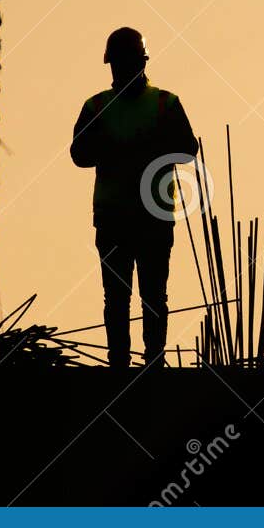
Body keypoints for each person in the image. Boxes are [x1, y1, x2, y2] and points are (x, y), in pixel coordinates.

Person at [70, 27, 197, 368]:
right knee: (119, 297)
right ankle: (120, 364)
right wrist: (111, 147)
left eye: (124, 63)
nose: (120, 71)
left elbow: (187, 149)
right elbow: (79, 153)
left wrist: (149, 146)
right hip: (115, 218)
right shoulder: (97, 107)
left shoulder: (164, 104)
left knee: (151, 295)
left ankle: (152, 362)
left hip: (151, 217)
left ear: (139, 63)